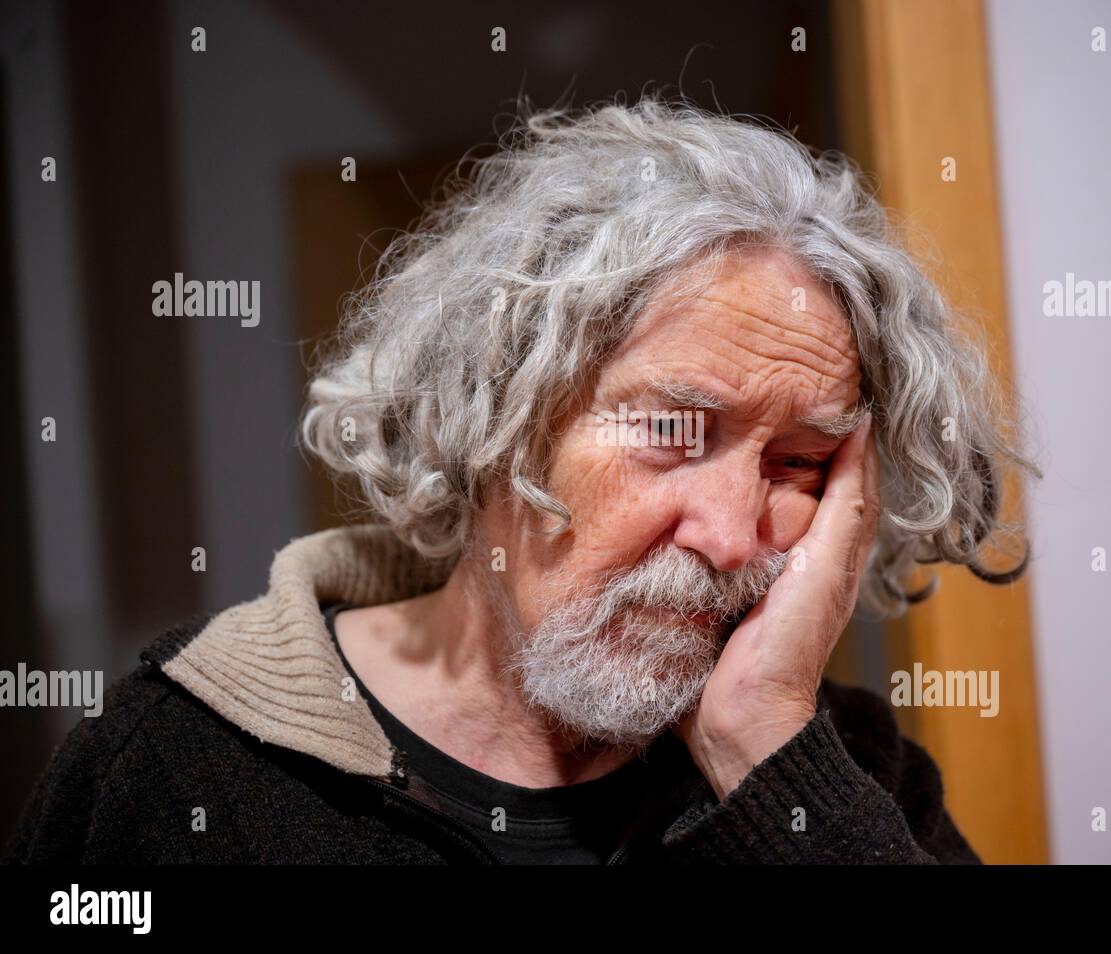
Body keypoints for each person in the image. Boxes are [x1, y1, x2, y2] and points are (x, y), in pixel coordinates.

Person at [5, 95, 1037, 864]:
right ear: (495, 412)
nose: (731, 534)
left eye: (798, 465)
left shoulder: (843, 771)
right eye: (672, 428)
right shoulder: (176, 762)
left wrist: (767, 758)